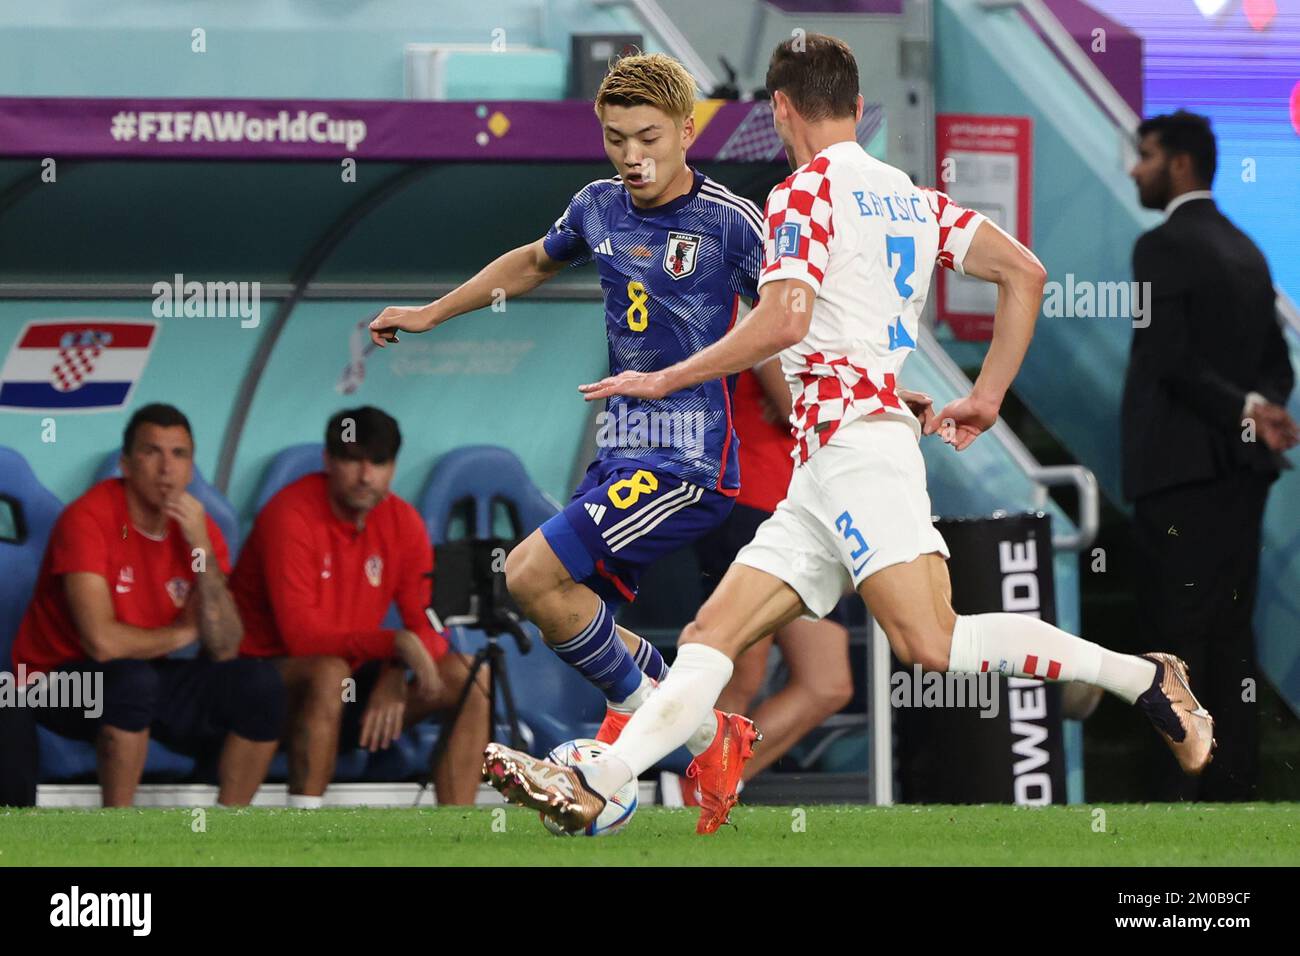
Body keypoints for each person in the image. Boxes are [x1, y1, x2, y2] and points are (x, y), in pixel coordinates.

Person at [483, 34, 1217, 836]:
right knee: (711, 634)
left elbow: (786, 319)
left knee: (931, 644)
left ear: (781, 110)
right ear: (860, 109)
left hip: (860, 450)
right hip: (827, 463)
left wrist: (668, 376)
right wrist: (987, 396)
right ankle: (608, 779)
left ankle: (1140, 675)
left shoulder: (801, 196)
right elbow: (1025, 274)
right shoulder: (910, 195)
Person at [368, 53, 767, 785]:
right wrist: (431, 312)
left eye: (647, 137)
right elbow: (528, 262)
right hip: (619, 455)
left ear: (687, 130)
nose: (632, 157)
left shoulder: (731, 223)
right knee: (560, 603)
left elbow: (794, 314)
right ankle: (704, 733)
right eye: (616, 139)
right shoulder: (597, 205)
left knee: (525, 574)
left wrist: (883, 397)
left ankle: (629, 725)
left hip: (688, 462)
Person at [1125, 110, 1298, 801]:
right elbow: (1278, 366)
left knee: (1171, 635)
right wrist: (1257, 407)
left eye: (1145, 155)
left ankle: (1166, 794)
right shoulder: (1248, 250)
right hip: (1242, 476)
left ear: (1182, 165)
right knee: (1230, 636)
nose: (1134, 169)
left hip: (1180, 476)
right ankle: (1234, 789)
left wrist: (1241, 409)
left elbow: (1166, 359)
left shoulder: (1159, 248)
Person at [11, 403, 284, 807]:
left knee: (258, 686)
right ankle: (121, 838)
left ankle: (229, 837)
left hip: (150, 671)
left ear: (191, 468)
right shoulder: (88, 518)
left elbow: (225, 646)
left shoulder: (201, 530)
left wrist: (204, 554)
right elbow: (102, 643)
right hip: (56, 684)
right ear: (125, 463)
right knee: (132, 680)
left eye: (179, 454)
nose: (166, 468)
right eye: (151, 452)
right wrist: (186, 633)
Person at [232, 407, 489, 806]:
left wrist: (396, 671)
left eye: (379, 462)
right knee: (328, 672)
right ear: (328, 461)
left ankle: (458, 829)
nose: (366, 476)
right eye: (352, 460)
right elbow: (302, 639)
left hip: (351, 684)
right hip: (268, 686)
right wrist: (395, 646)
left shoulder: (403, 521)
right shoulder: (290, 514)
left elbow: (431, 625)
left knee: (472, 676)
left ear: (392, 467)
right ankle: (305, 827)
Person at [694, 358, 859, 786]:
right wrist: (836, 405)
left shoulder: (839, 326)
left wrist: (834, 404)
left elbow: (823, 415)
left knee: (827, 683)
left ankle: (706, 786)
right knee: (739, 673)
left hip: (807, 514)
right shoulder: (775, 302)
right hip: (751, 505)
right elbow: (801, 413)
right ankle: (691, 787)